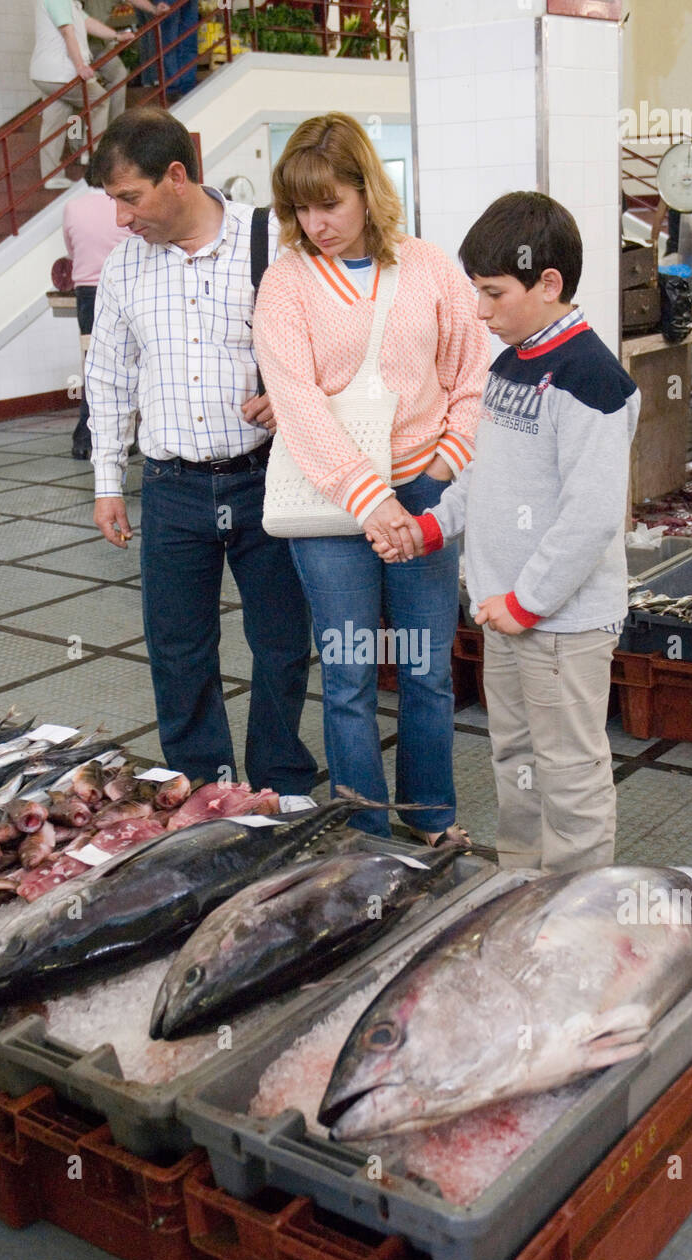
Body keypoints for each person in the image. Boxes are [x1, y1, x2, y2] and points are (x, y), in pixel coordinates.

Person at [370, 192, 640, 873]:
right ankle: (524, 890)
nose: (481, 312)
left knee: (568, 775)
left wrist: (526, 603)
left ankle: (580, 919)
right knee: (516, 762)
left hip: (559, 623)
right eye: (475, 293)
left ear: (548, 284)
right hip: (507, 615)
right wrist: (429, 529)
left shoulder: (591, 380)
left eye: (494, 293)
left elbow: (591, 516)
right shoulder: (509, 366)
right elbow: (483, 483)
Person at [252, 112, 490, 841]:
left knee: (424, 670)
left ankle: (429, 818)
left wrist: (448, 466)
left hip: (424, 491)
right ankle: (366, 839)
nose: (315, 223)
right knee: (350, 678)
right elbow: (296, 403)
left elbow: (472, 370)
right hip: (333, 502)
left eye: (331, 203)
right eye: (300, 207)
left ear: (367, 189)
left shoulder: (429, 267)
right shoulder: (286, 284)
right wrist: (370, 500)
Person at [85, 108, 317, 794]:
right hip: (171, 486)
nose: (123, 219)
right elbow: (108, 375)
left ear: (177, 176)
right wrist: (106, 483)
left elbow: (326, 342)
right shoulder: (126, 264)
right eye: (114, 202)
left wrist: (291, 395)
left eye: (131, 198)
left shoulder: (269, 240)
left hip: (264, 479)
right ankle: (200, 783)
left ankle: (280, 776)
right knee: (179, 649)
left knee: (279, 643)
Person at [62, 159, 132, 459]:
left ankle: (85, 438)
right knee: (132, 361)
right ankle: (131, 435)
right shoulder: (122, 204)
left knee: (95, 366)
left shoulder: (71, 207)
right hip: (125, 283)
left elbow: (70, 248)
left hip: (87, 293)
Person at [29, 0, 135, 189]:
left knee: (55, 119)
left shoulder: (71, 4)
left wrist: (117, 36)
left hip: (47, 75)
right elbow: (67, 32)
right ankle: (98, 164)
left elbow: (88, 23)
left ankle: (52, 175)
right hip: (61, 73)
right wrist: (80, 65)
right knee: (100, 100)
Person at [83, 0, 169, 113]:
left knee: (118, 74)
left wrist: (153, 9)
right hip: (76, 44)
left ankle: (115, 122)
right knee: (83, 92)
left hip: (98, 42)